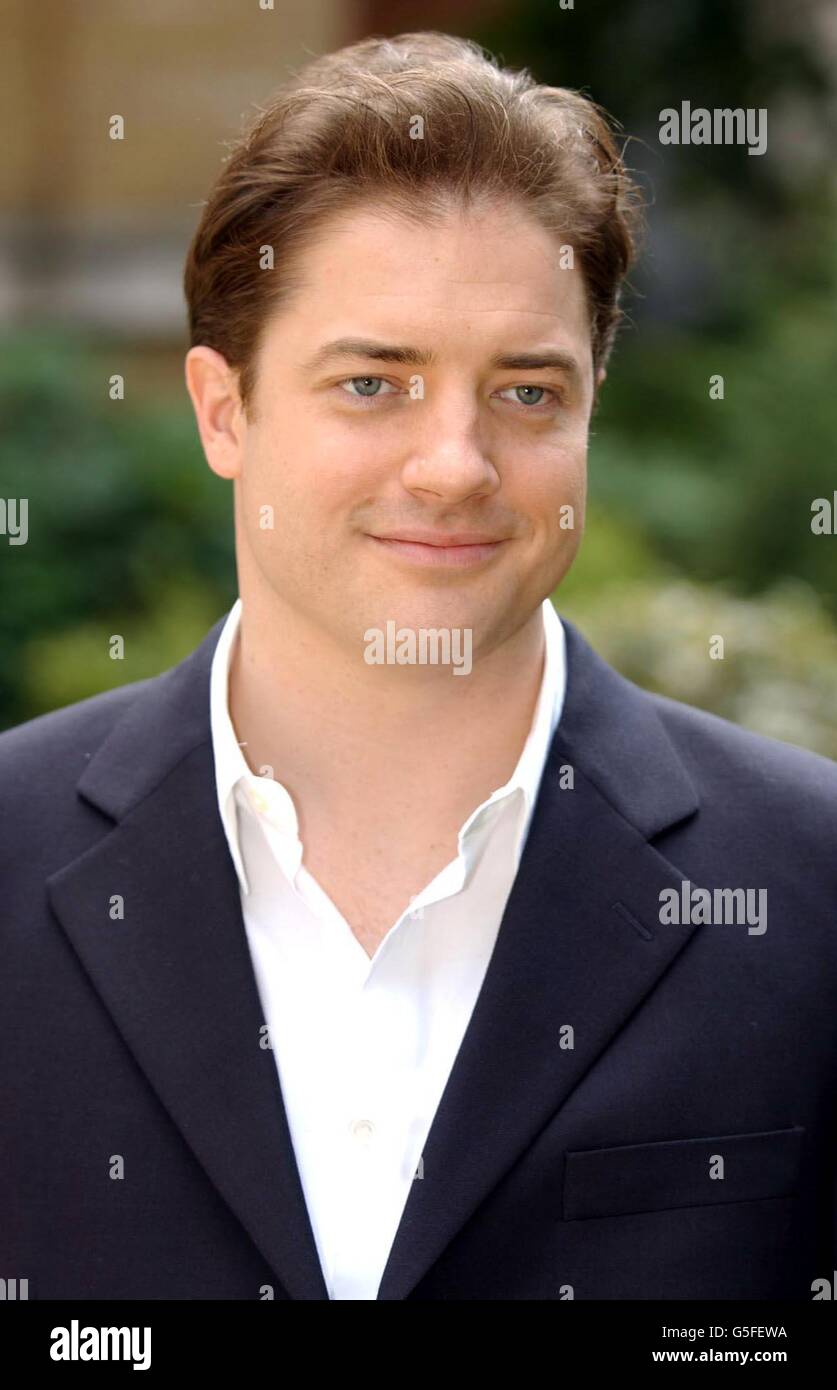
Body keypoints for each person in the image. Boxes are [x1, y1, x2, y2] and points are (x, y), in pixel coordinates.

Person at [2, 31, 835, 1302]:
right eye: (375, 382)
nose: (456, 464)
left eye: (527, 393)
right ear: (224, 409)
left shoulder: (809, 886)